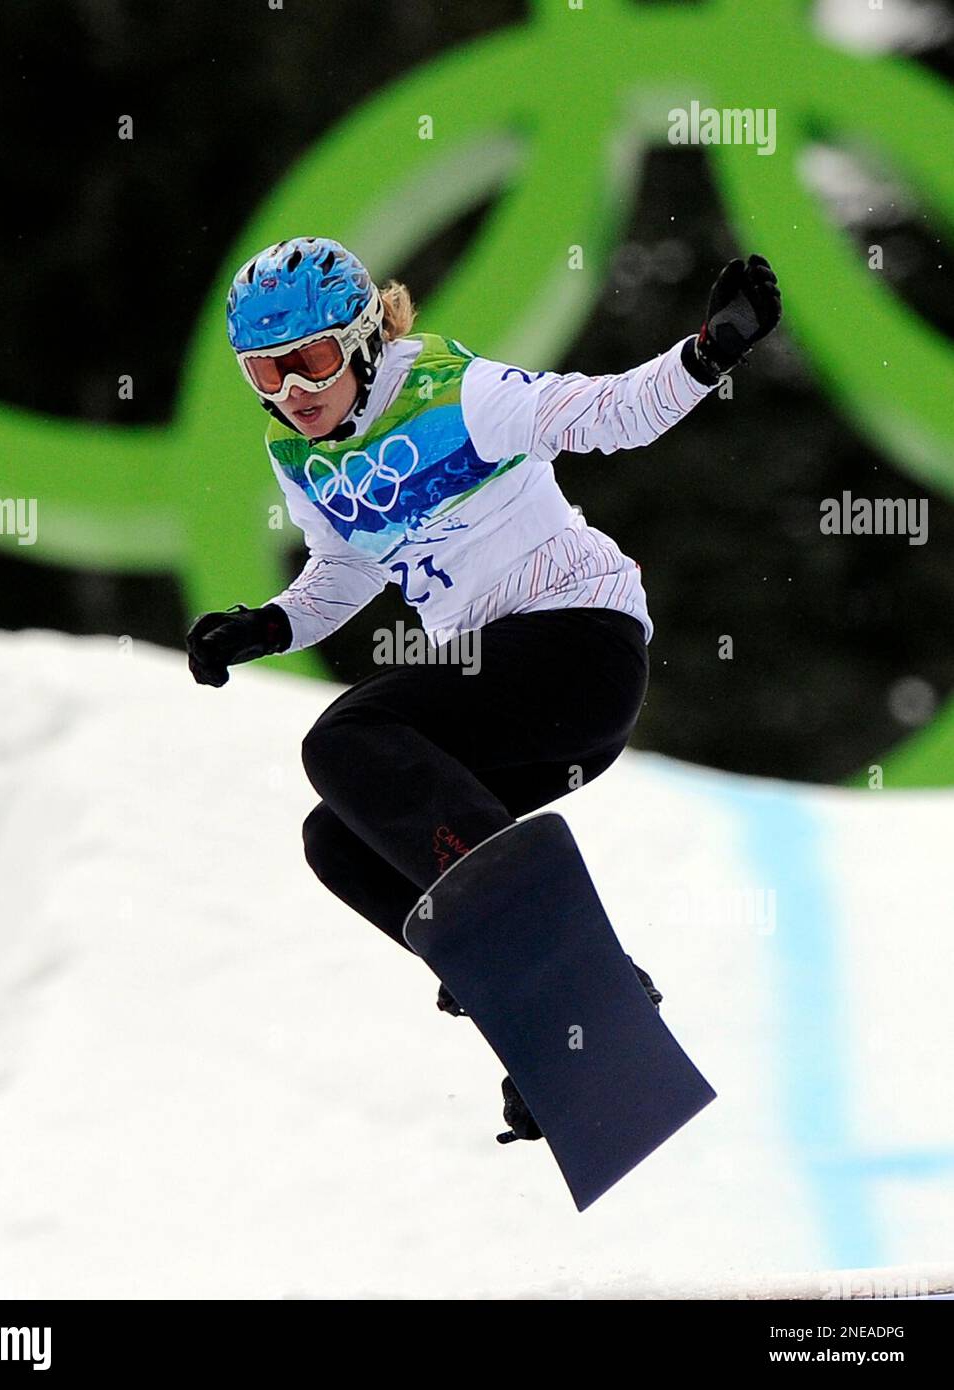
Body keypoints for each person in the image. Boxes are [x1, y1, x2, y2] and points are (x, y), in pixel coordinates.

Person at [187, 235, 781, 1140]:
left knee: (343, 742)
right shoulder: (298, 455)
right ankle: (549, 1028)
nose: (290, 395)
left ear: (358, 343)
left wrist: (711, 350)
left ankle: (581, 979)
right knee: (339, 842)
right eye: (262, 374)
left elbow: (609, 413)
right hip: (509, 695)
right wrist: (265, 626)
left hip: (578, 647)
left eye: (307, 363)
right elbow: (343, 569)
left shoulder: (455, 393)